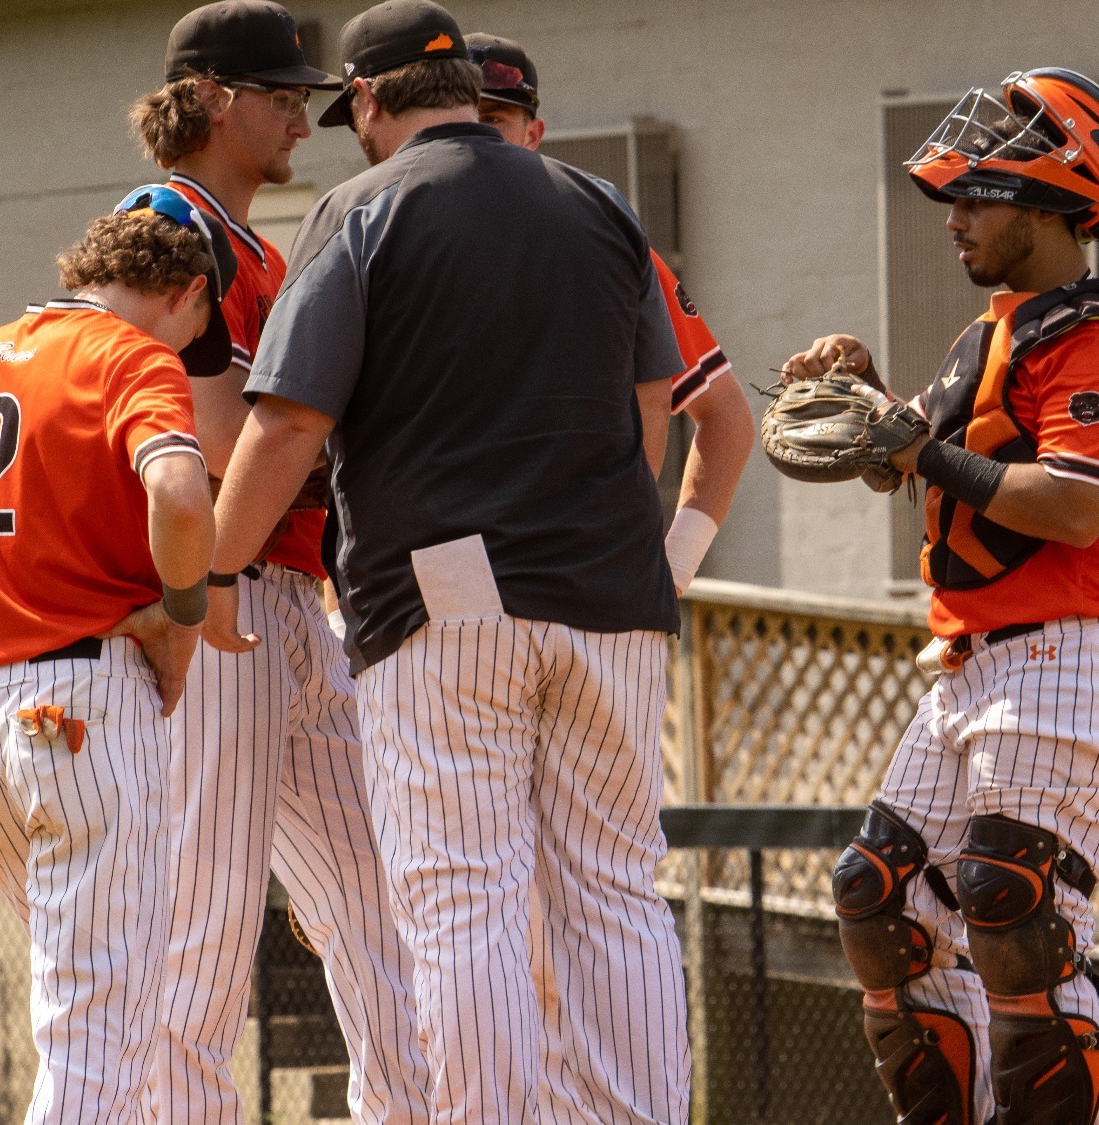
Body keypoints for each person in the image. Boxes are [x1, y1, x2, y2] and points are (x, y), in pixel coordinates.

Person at [203, 1, 691, 1119]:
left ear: (369, 101)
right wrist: (607, 530)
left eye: (348, 111)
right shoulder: (597, 204)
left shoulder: (361, 207)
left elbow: (285, 426)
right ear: (470, 86)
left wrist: (211, 574)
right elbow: (653, 400)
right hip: (614, 590)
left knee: (461, 897)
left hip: (446, 594)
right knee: (614, 891)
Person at [784, 69, 1099, 1124]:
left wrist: (915, 450)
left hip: (1071, 658)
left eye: (977, 198)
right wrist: (863, 394)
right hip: (974, 664)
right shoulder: (992, 331)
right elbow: (897, 458)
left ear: (1049, 208)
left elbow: (1070, 509)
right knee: (878, 900)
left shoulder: (1098, 341)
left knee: (1014, 916)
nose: (954, 220)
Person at [127, 4, 429, 1121]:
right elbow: (201, 437)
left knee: (386, 902)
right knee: (202, 933)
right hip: (210, 594)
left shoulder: (253, 241)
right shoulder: (166, 222)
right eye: (279, 93)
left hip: (291, 596)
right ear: (210, 98)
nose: (301, 114)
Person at [0, 187, 234, 1125]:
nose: (189, 352)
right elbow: (180, 496)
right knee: (101, 1039)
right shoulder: (130, 355)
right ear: (180, 290)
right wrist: (182, 614)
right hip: (75, 710)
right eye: (199, 328)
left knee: (105, 1021)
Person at [465, 31, 754, 592]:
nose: (478, 137)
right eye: (463, 118)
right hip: (469, 583)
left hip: (596, 577)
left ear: (533, 133)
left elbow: (727, 417)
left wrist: (674, 569)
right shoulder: (407, 246)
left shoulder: (611, 248)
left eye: (495, 118)